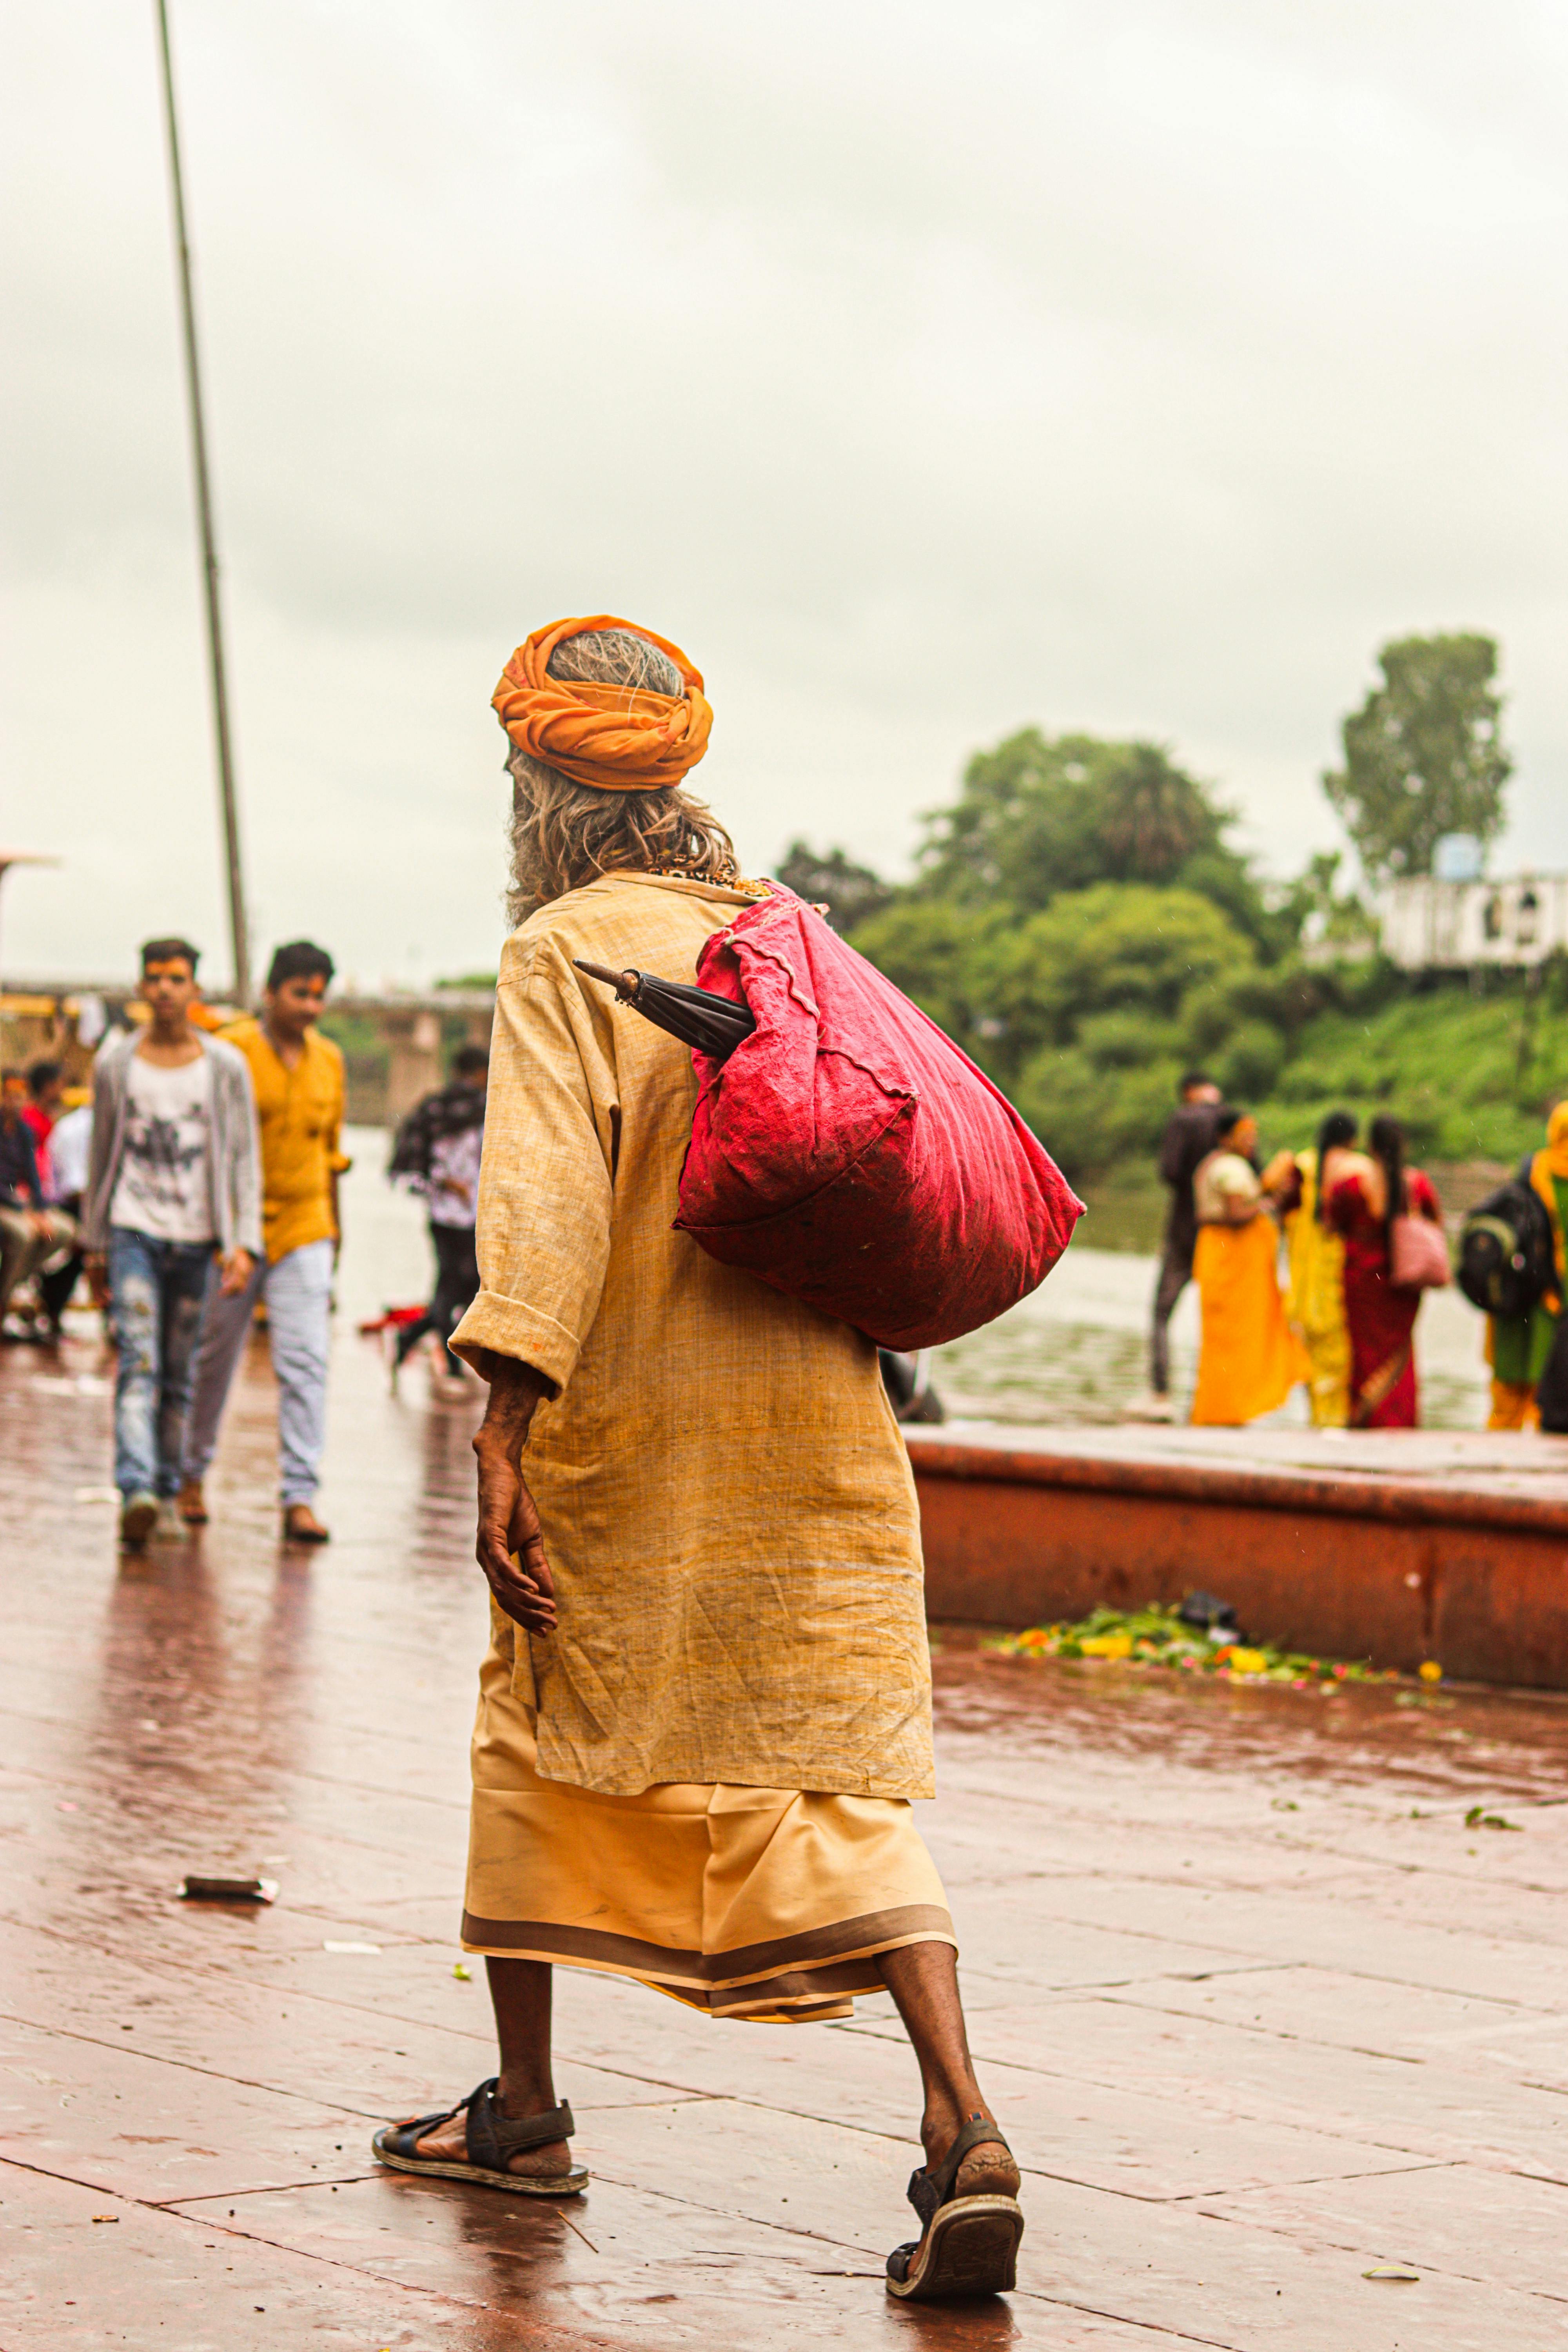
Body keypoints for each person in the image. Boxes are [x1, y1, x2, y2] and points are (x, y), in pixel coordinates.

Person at [369, 618, 1024, 2305]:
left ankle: (521, 2107)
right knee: (836, 1770)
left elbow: (542, 1216)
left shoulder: (560, 957)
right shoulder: (785, 939)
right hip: (816, 1423)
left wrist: (501, 1426)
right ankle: (960, 2121)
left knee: (536, 1724)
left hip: (629, 1423)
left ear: (538, 787)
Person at [82, 940, 261, 1549]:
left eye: (176, 979)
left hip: (198, 1240)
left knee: (180, 1373)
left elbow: (242, 1159)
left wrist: (243, 1242)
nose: (164, 989)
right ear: (140, 987)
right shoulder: (115, 1063)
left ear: (195, 990)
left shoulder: (224, 1066)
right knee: (139, 1362)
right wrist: (93, 1245)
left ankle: (162, 1493)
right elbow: (101, 1154)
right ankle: (135, 1489)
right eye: (154, 978)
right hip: (134, 1232)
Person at [180, 941, 350, 1544]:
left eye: (319, 994)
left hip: (307, 1228)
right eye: (300, 992)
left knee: (306, 1362)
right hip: (236, 1232)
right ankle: (191, 1475)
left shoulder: (330, 1060)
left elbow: (331, 1157)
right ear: (271, 993)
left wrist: (339, 1236)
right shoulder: (229, 1052)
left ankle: (300, 1496)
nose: (310, 1005)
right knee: (213, 1358)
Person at [1189, 1108, 1309, 1426]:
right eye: (1244, 1137)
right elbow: (1236, 1214)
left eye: (1252, 1138)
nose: (1250, 1144)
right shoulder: (1230, 1167)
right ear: (1225, 1138)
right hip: (1230, 1258)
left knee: (1226, 1341)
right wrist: (1267, 1198)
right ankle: (1231, 1409)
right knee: (1237, 1338)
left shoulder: (1212, 1164)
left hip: (1222, 1256)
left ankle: (1224, 1409)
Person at [1325, 1113, 1443, 1428]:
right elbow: (1436, 1223)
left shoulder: (1352, 1184)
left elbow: (1331, 1222)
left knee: (1364, 1352)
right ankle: (1399, 1421)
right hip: (1402, 1280)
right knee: (1400, 1353)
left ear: (1371, 1145)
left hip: (1362, 1280)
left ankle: (1364, 1418)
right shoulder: (1416, 1183)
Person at [386, 1043, 489, 1392]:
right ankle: (452, 1363)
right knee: (454, 1285)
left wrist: (437, 1183)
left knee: (465, 1286)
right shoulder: (483, 1108)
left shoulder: (432, 1109)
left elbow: (411, 1166)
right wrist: (446, 1183)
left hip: (458, 1213)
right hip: (456, 1214)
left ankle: (412, 1335)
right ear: (479, 1073)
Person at [1267, 1111, 1370, 1429]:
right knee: (1338, 1354)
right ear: (1352, 1139)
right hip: (1337, 1273)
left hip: (1303, 1276)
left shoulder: (1302, 1164)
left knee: (1311, 1352)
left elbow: (1282, 1210)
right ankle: (1334, 1422)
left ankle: (1316, 1420)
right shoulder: (1357, 1167)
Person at [1132, 1071, 1222, 1421]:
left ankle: (1161, 1393)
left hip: (1185, 1229)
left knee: (1161, 1313)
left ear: (1187, 1092)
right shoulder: (1234, 1121)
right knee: (1217, 1318)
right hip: (1222, 1238)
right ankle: (1215, 1396)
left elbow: (1169, 1171)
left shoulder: (1184, 1119)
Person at [1486, 1102, 1568, 1430]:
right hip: (1555, 1297)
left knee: (1508, 1389)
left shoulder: (1529, 1171)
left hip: (1520, 1290)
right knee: (1549, 1387)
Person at [0, 1073, 76, 1333]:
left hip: (18, 1204)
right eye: (9, 1096)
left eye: (20, 1097)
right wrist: (24, 1211)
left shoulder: (24, 1131)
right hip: (8, 1204)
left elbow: (33, 1176)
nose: (15, 1102)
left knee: (64, 1230)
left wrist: (41, 1210)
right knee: (23, 1234)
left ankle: (11, 1285)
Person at [26, 1061, 89, 1334]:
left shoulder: (49, 1121)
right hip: (40, 1201)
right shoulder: (30, 1122)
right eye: (59, 1083)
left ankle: (51, 1301)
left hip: (45, 1200)